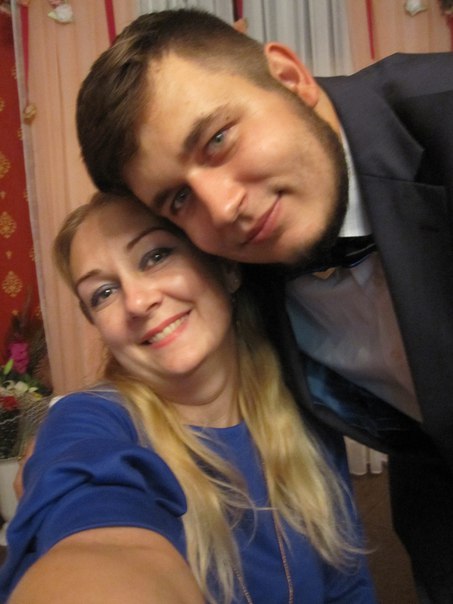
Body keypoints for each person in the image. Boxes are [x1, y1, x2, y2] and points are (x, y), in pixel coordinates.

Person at [74, 9, 453, 602]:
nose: (223, 209)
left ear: (290, 77)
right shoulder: (233, 270)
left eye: (218, 139)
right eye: (178, 198)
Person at [0, 193, 376, 603]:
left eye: (155, 256)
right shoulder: (90, 420)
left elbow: (347, 583)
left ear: (226, 267)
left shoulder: (307, 404)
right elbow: (92, 536)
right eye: (104, 292)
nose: (137, 302)